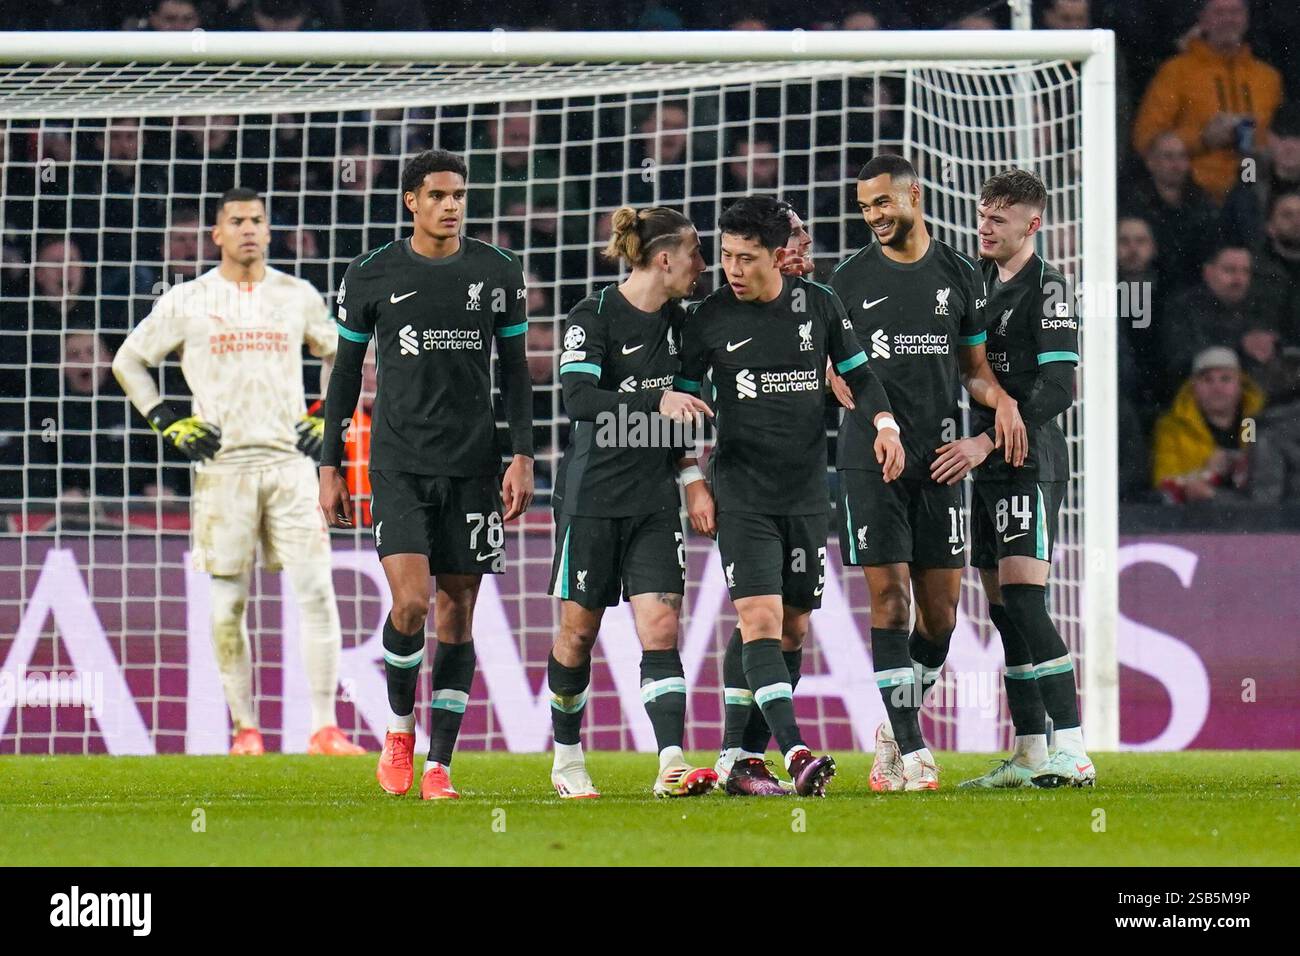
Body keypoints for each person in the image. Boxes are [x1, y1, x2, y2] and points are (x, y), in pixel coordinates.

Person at [113, 187, 363, 758]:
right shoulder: (189, 298)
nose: (248, 229)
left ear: (269, 231)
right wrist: (166, 422)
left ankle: (324, 728)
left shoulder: (295, 294)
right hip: (223, 470)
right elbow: (128, 359)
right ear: (217, 235)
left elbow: (341, 356)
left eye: (257, 220)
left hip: (290, 464)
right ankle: (245, 730)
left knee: (317, 592)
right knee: (228, 603)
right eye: (236, 221)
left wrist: (330, 418)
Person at [319, 149, 535, 801]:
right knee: (411, 602)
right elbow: (346, 375)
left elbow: (518, 371)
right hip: (399, 464)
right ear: (411, 200)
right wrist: (329, 464)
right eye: (438, 195)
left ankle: (439, 764)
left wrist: (522, 454)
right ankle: (397, 730)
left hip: (474, 466)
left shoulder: (497, 271)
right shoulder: (370, 274)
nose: (451, 205)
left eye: (460, 195)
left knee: (458, 613)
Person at [675, 195, 901, 798]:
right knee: (759, 617)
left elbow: (860, 375)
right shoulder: (708, 319)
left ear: (779, 257)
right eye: (726, 256)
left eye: (746, 258)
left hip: (804, 494)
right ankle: (796, 750)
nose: (732, 269)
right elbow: (678, 408)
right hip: (741, 493)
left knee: (792, 628)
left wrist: (884, 426)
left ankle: (743, 760)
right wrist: (692, 479)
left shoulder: (819, 306)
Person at [825, 155, 1026, 792]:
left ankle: (891, 726)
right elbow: (834, 369)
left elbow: (972, 368)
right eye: (865, 208)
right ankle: (912, 750)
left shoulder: (962, 274)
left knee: (939, 617)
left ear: (915, 194)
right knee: (890, 601)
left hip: (942, 459)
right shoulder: (847, 280)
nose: (875, 218)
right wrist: (841, 385)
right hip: (873, 460)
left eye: (883, 203)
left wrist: (1001, 404)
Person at [546, 205, 718, 799]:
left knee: (661, 627)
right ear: (665, 258)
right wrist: (654, 405)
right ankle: (567, 760)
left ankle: (671, 761)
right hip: (591, 497)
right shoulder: (591, 316)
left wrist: (692, 474)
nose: (704, 264)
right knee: (577, 635)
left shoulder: (684, 325)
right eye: (696, 253)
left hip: (652, 500)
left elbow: (684, 414)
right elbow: (579, 399)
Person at [956, 169, 1095, 789]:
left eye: (999, 219)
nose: (985, 226)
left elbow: (1061, 386)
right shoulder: (975, 281)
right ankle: (1031, 751)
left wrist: (991, 435)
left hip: (1029, 461)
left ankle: (1074, 749)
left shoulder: (1051, 289)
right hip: (988, 465)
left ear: (1031, 225)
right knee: (1005, 611)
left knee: (1030, 600)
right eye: (982, 215)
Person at [1132, 0, 1283, 204]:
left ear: (1246, 19)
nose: (1228, 19)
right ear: (1202, 20)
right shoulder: (1176, 71)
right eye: (1219, 12)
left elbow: (1276, 137)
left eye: (1235, 12)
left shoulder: (1267, 76)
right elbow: (1146, 139)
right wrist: (1203, 138)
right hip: (1193, 194)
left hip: (1252, 184)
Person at [1153, 346, 1264, 503]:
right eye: (1207, 380)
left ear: (1240, 385)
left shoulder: (1258, 422)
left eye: (1225, 379)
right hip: (1193, 519)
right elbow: (1163, 485)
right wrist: (1206, 473)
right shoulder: (1172, 428)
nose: (1217, 388)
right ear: (1193, 387)